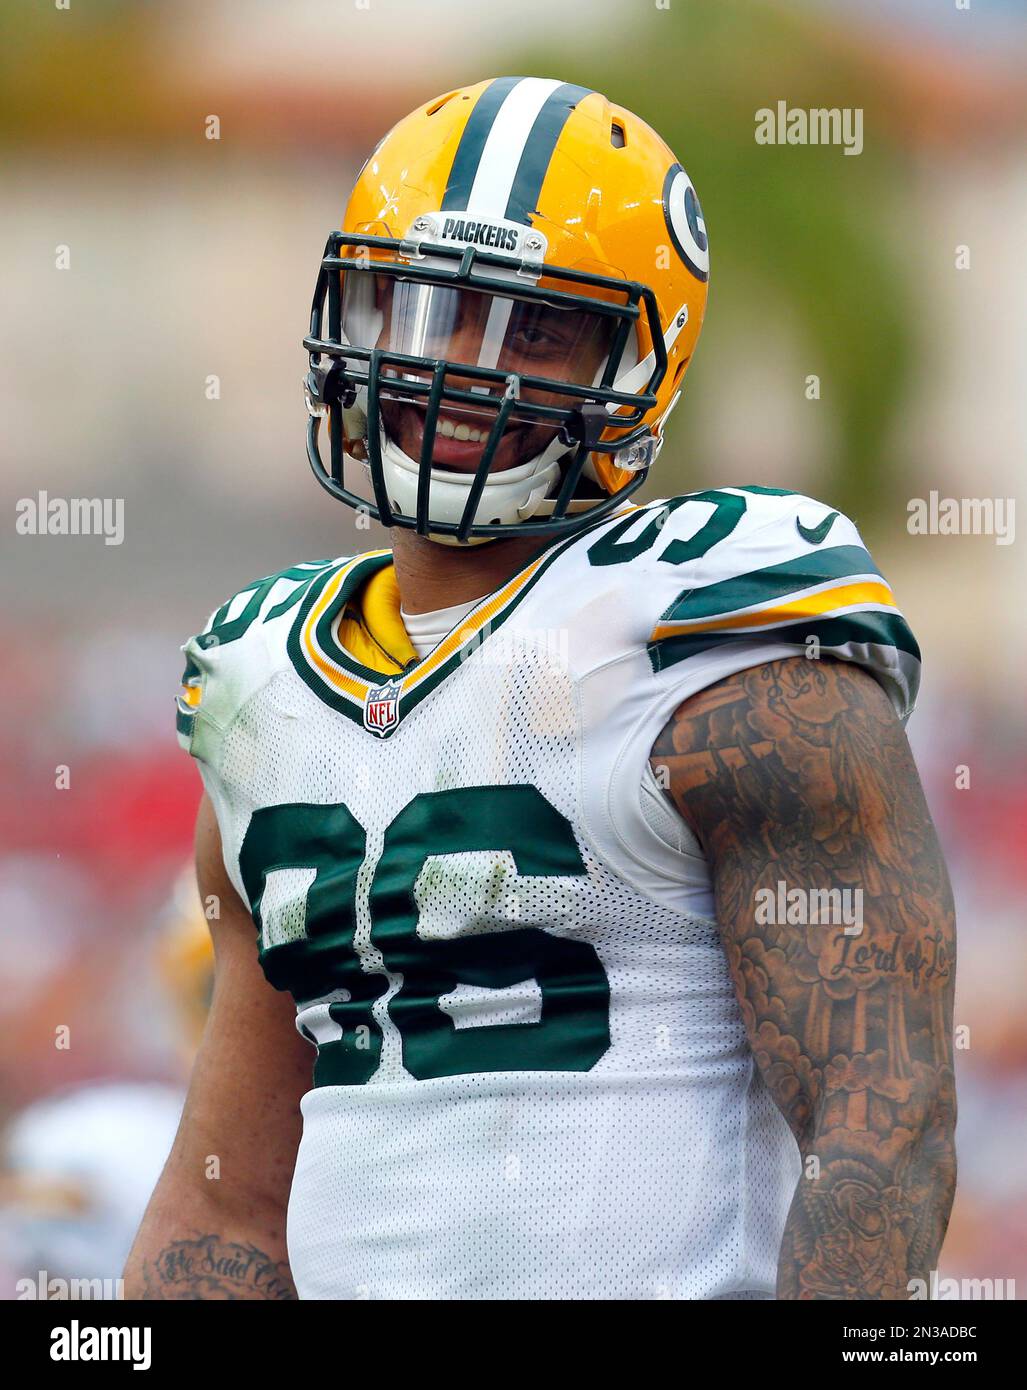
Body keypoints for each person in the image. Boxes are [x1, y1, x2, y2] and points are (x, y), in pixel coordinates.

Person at [126, 77, 956, 1300]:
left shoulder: (712, 634)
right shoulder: (262, 688)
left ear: (638, 368)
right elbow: (226, 1202)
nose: (464, 366)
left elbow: (881, 1123)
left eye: (536, 331)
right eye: (434, 308)